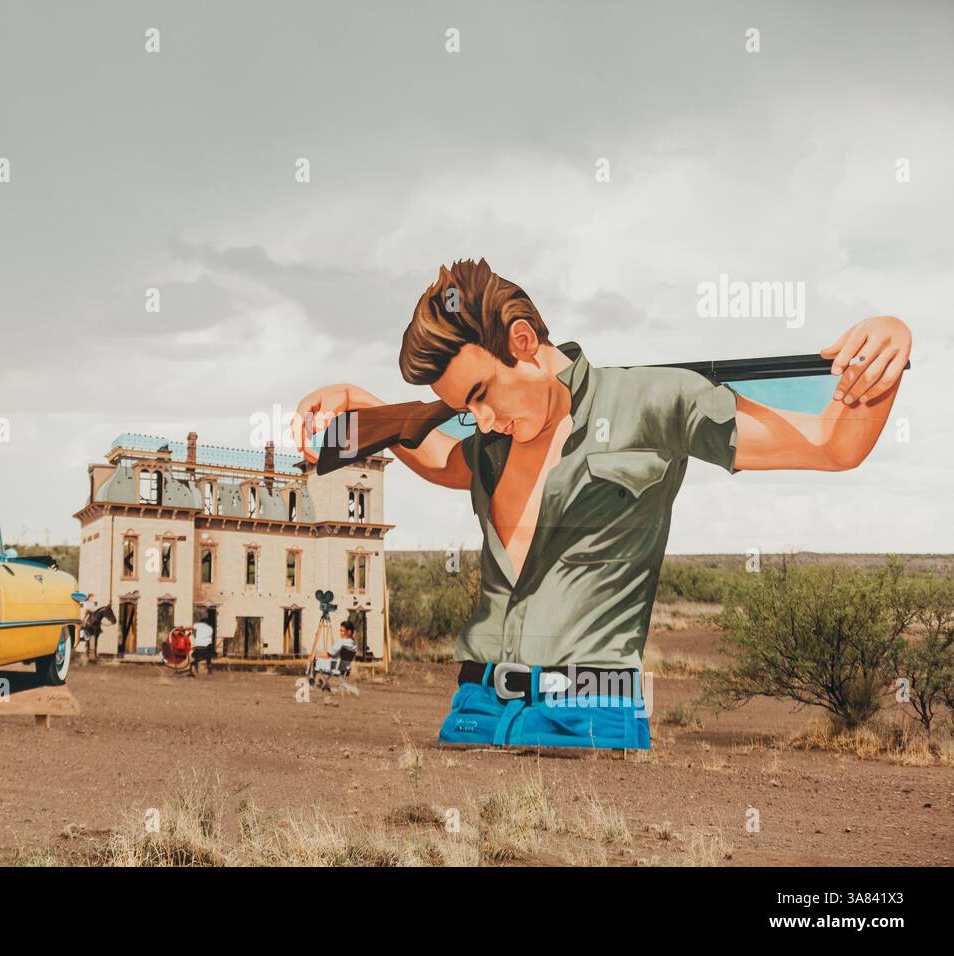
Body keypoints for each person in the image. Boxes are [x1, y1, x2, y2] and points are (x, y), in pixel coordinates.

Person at [293, 258, 911, 750]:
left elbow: (831, 445)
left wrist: (891, 341)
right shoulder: (486, 445)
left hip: (589, 723)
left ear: (524, 341)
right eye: (464, 407)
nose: (479, 418)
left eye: (481, 393)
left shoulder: (656, 401)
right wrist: (355, 403)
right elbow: (431, 454)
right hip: (471, 718)